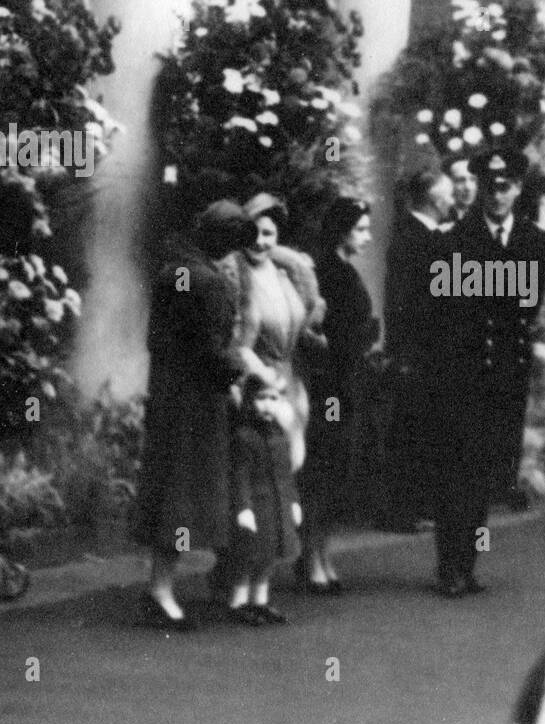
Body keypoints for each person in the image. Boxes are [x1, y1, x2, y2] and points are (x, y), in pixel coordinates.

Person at [431, 146, 545, 597]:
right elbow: (449, 301)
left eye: (505, 188)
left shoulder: (535, 240)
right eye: (490, 188)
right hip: (463, 368)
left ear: (518, 189)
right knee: (456, 469)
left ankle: (470, 562)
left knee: (487, 470)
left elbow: (527, 300)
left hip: (505, 371)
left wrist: (487, 281)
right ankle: (450, 566)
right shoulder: (453, 239)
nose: (497, 196)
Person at [133, 200, 255, 630]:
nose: (232, 253)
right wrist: (240, 375)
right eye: (231, 243)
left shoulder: (175, 270)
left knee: (172, 487)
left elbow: (165, 340)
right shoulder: (204, 280)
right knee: (183, 493)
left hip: (170, 395)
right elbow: (210, 349)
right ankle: (162, 591)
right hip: (197, 403)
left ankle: (166, 584)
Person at [298, 198, 378, 594]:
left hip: (347, 382)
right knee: (323, 465)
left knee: (337, 469)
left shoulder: (345, 271)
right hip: (328, 385)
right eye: (361, 229)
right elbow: (322, 331)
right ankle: (311, 555)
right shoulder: (324, 272)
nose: (367, 236)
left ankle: (323, 552)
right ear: (343, 230)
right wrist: (362, 336)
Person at [225, 193, 327, 472]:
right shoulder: (235, 277)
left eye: (268, 233)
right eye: (253, 233)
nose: (260, 241)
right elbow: (233, 341)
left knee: (289, 468)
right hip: (257, 389)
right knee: (260, 471)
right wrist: (257, 374)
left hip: (291, 380)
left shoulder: (287, 273)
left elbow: (302, 323)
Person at [383, 169, 454, 530]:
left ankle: (412, 507)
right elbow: (404, 301)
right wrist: (404, 351)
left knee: (418, 429)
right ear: (434, 199)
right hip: (417, 350)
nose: (452, 201)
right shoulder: (415, 238)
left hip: (423, 349)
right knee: (411, 431)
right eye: (447, 195)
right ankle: (402, 510)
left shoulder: (419, 235)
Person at [225, 377, 302, 626]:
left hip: (277, 505)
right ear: (249, 401)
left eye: (273, 398)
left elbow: (286, 475)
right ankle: (238, 601)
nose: (267, 405)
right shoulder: (244, 437)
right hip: (257, 507)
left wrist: (294, 502)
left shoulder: (280, 436)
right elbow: (240, 476)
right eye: (261, 398)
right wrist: (243, 508)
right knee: (249, 556)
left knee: (269, 557)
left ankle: (260, 600)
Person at [442, 153, 478, 224]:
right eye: (460, 180)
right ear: (447, 183)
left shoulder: (485, 214)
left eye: (473, 179)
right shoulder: (441, 219)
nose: (468, 187)